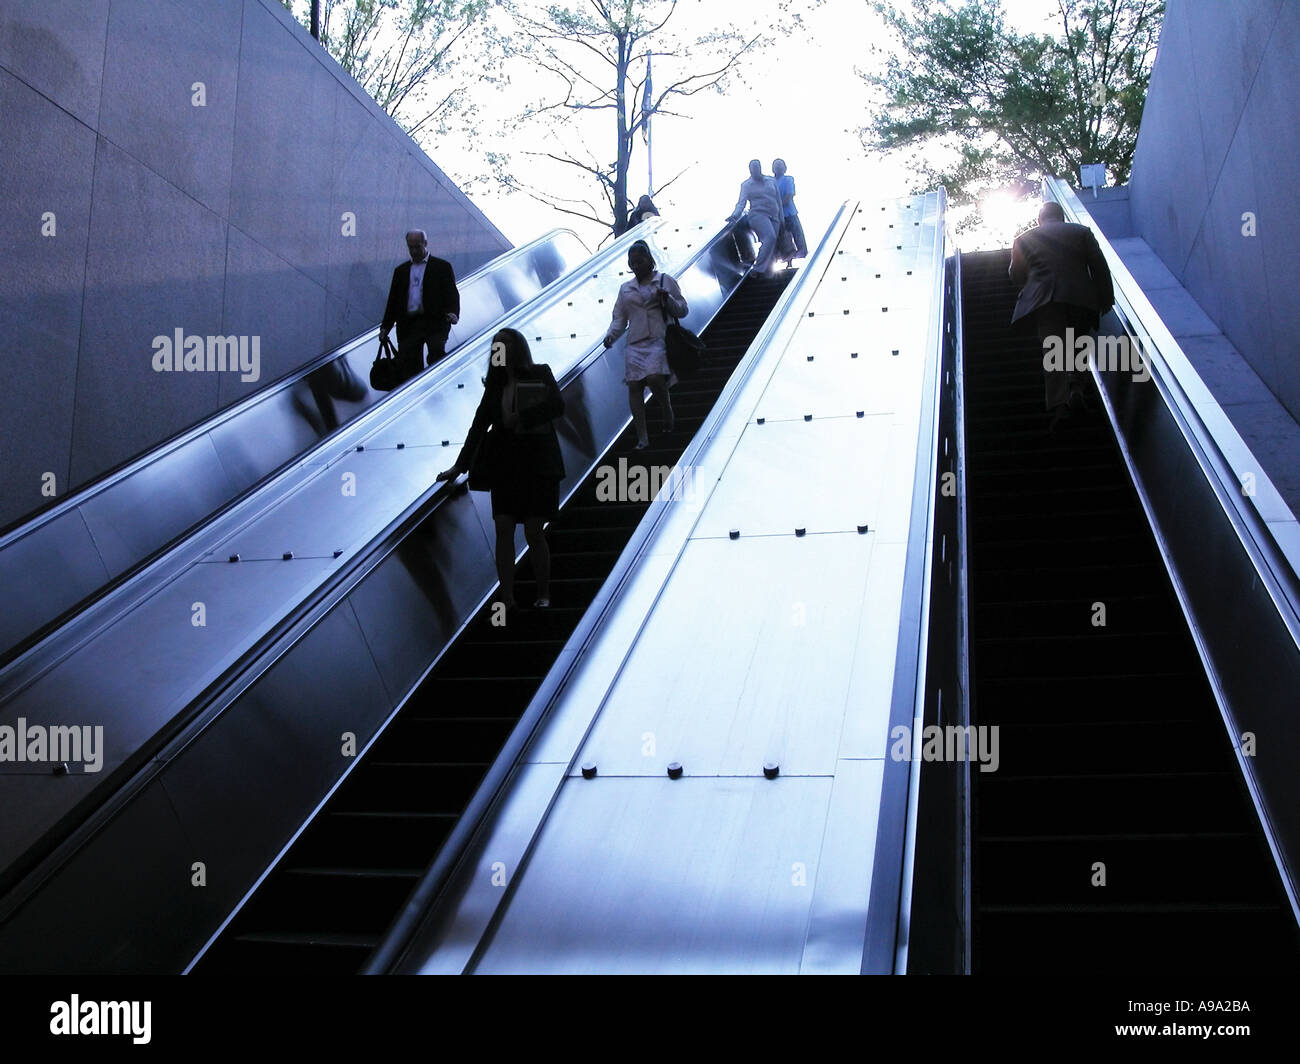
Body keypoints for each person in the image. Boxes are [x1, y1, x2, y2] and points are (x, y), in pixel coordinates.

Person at [437, 329, 565, 609]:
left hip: (537, 463)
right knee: (504, 528)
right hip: (507, 465)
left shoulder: (539, 373)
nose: (499, 352)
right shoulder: (494, 386)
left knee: (533, 529)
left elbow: (557, 405)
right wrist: (459, 466)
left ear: (516, 350)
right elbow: (478, 425)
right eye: (497, 348)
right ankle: (507, 596)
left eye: (504, 347)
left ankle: (543, 594)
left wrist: (523, 417)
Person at [1009, 202, 1115, 431]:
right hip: (1081, 297)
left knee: (1054, 349)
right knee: (1078, 345)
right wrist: (1105, 298)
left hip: (1045, 300)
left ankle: (1060, 405)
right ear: (1062, 216)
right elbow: (1099, 265)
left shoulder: (1024, 239)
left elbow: (1015, 274)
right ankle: (1076, 387)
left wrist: (1030, 282)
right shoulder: (1081, 232)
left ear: (1040, 219)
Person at [602, 240, 687, 450]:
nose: (635, 266)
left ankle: (666, 409)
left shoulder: (664, 280)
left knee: (654, 378)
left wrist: (667, 299)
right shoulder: (625, 288)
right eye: (632, 262)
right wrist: (611, 336)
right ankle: (642, 437)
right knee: (634, 385)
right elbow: (620, 318)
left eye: (639, 261)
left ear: (649, 260)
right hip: (635, 342)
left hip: (659, 338)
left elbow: (683, 309)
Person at [381, 229, 460, 381]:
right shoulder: (401, 271)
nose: (414, 251)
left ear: (425, 244)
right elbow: (394, 301)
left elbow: (451, 293)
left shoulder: (442, 267)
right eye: (411, 247)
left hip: (435, 321)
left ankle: (437, 385)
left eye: (417, 247)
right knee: (409, 365)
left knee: (436, 354)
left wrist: (454, 313)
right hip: (409, 325)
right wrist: (386, 326)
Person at [726, 159, 783, 273]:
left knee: (771, 242)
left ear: (760, 168)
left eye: (756, 167)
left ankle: (767, 271)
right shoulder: (746, 185)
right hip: (758, 215)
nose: (754, 170)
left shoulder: (771, 180)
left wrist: (782, 218)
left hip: (774, 216)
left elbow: (778, 200)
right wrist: (734, 216)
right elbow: (741, 203)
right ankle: (757, 269)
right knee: (770, 237)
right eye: (752, 168)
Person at [772, 158, 807, 267]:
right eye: (776, 166)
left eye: (780, 165)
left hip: (789, 214)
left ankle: (801, 259)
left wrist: (777, 206)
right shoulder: (770, 182)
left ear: (785, 168)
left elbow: (788, 196)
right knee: (783, 241)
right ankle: (787, 262)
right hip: (776, 217)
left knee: (798, 238)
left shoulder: (788, 179)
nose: (778, 167)